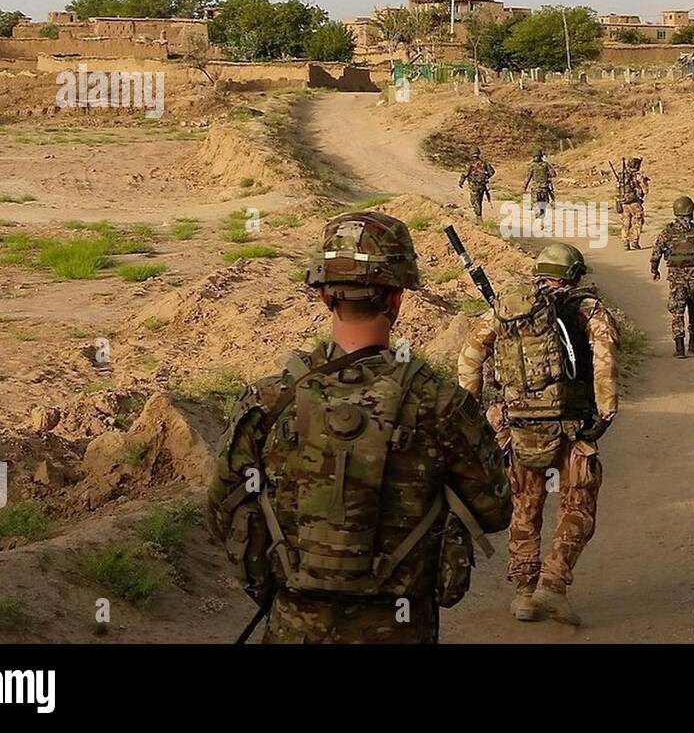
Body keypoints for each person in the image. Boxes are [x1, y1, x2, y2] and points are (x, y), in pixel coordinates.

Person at [207, 211, 511, 643]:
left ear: (321, 294)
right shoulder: (442, 404)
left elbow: (222, 514)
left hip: (293, 625)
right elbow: (495, 510)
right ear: (398, 297)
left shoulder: (269, 401)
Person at [457, 243, 620, 627]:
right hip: (572, 427)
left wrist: (478, 413)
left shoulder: (509, 309)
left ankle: (524, 594)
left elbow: (469, 359)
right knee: (578, 506)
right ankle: (554, 583)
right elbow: (606, 359)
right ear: (576, 274)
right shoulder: (588, 310)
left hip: (519, 429)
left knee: (524, 507)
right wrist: (606, 411)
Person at [650, 195, 694, 358]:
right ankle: (693, 344)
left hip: (676, 281)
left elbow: (656, 253)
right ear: (691, 211)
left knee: (677, 312)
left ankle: (680, 349)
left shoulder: (667, 232)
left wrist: (655, 270)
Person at [617, 157, 650, 250]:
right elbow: (645, 190)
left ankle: (625, 243)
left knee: (625, 223)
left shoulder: (622, 176)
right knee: (638, 221)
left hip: (623, 203)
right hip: (635, 203)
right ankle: (635, 242)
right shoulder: (637, 176)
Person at [458, 147, 495, 221]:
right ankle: (479, 216)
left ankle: (478, 217)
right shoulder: (484, 163)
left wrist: (461, 182)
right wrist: (486, 177)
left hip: (474, 185)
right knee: (479, 201)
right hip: (482, 185)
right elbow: (492, 172)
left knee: (474, 201)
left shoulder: (470, 164)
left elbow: (465, 174)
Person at [523, 151, 556, 226]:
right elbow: (553, 174)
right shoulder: (546, 164)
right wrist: (547, 174)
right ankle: (541, 218)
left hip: (536, 188)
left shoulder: (532, 166)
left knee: (535, 203)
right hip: (544, 187)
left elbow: (528, 177)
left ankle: (538, 218)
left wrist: (524, 188)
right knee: (543, 203)